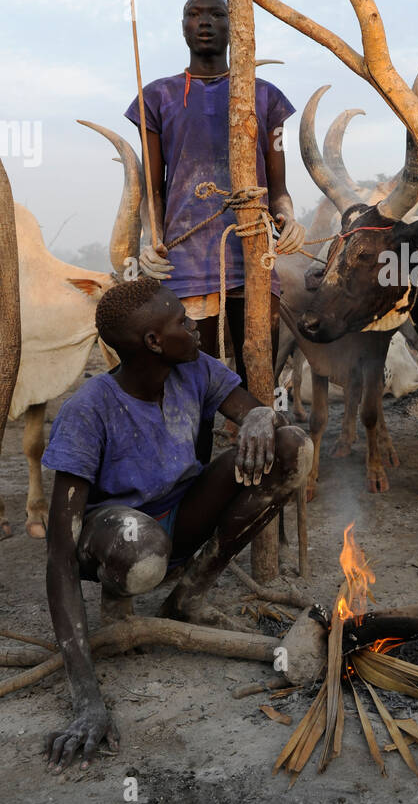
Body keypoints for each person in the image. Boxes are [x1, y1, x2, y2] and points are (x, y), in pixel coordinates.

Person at [42, 277, 313, 770]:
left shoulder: (195, 370)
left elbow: (255, 413)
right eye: (183, 322)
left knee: (293, 445)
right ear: (153, 342)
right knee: (140, 545)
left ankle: (188, 597)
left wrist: (258, 418)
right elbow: (60, 553)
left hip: (177, 517)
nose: (195, 328)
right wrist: (87, 700)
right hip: (114, 539)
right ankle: (120, 606)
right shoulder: (89, 409)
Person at [126, 0, 304, 389]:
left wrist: (287, 217)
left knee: (258, 379)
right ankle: (196, 454)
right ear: (183, 26)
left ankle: (259, 447)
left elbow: (277, 188)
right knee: (191, 386)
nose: (204, 22)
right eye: (194, 13)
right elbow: (153, 192)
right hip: (184, 261)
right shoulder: (157, 96)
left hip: (253, 252)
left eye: (217, 14)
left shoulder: (266, 96)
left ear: (234, 25)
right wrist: (150, 237)